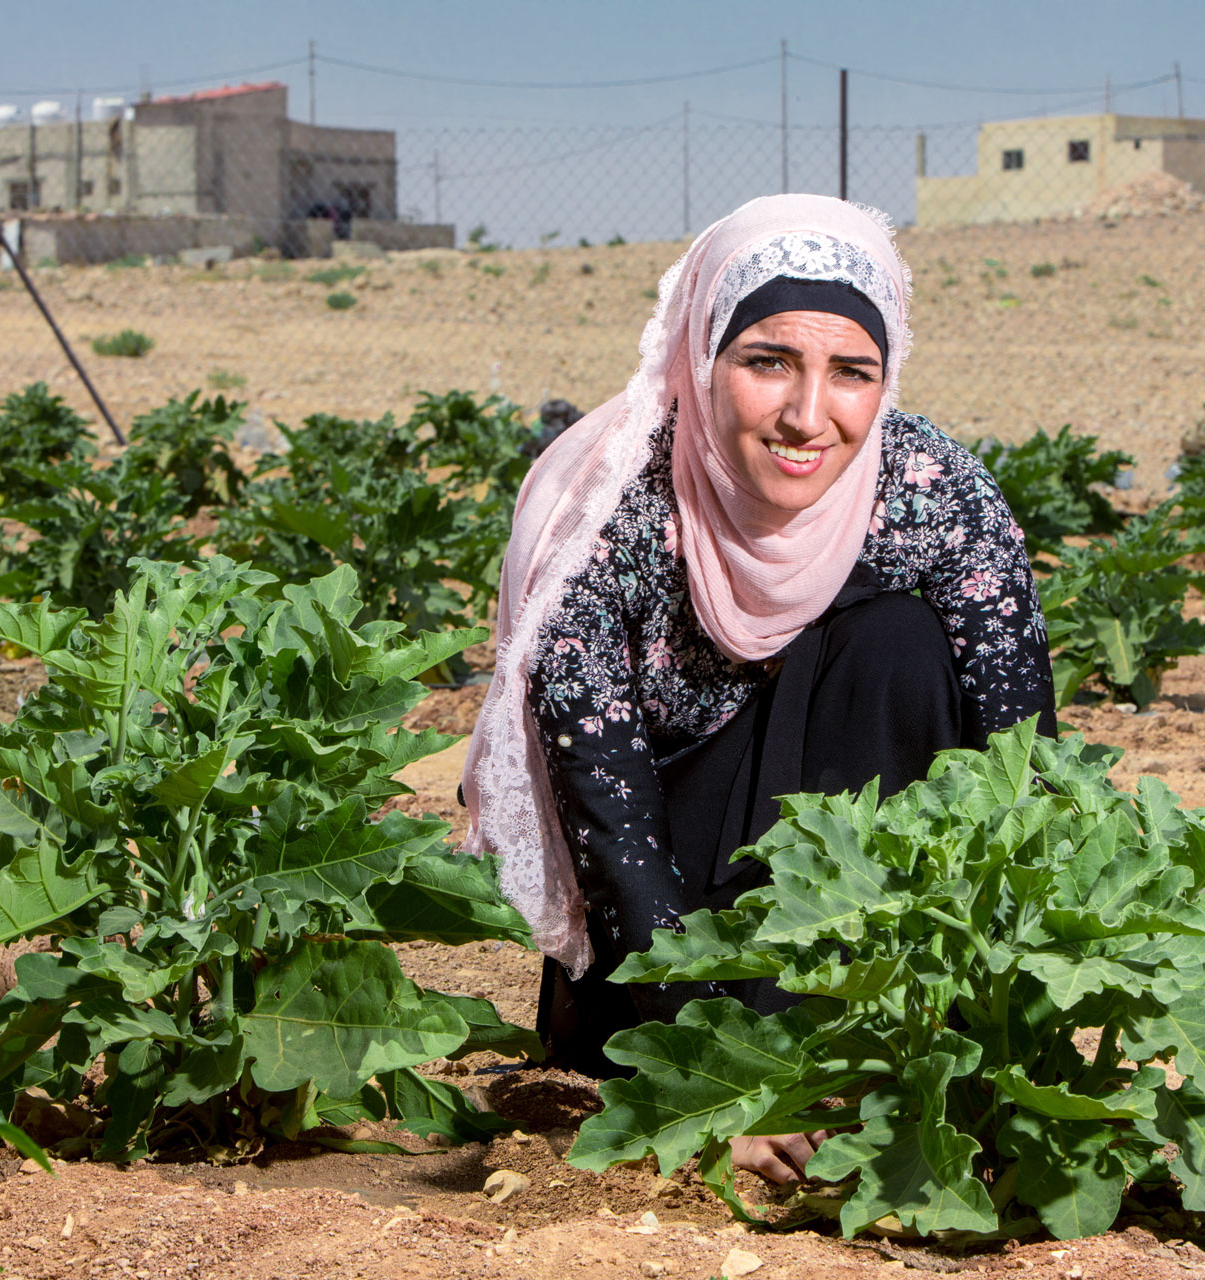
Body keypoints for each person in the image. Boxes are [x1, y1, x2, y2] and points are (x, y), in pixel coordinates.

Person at [462, 194, 1053, 1183]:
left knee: (902, 642)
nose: (806, 415)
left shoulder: (940, 495)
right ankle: (732, 1057)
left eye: (851, 372)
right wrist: (711, 1081)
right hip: (664, 929)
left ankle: (879, 1035)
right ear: (703, 356)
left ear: (886, 377)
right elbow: (611, 827)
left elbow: (1025, 770)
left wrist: (1014, 1024)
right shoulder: (604, 513)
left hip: (853, 921)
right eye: (767, 361)